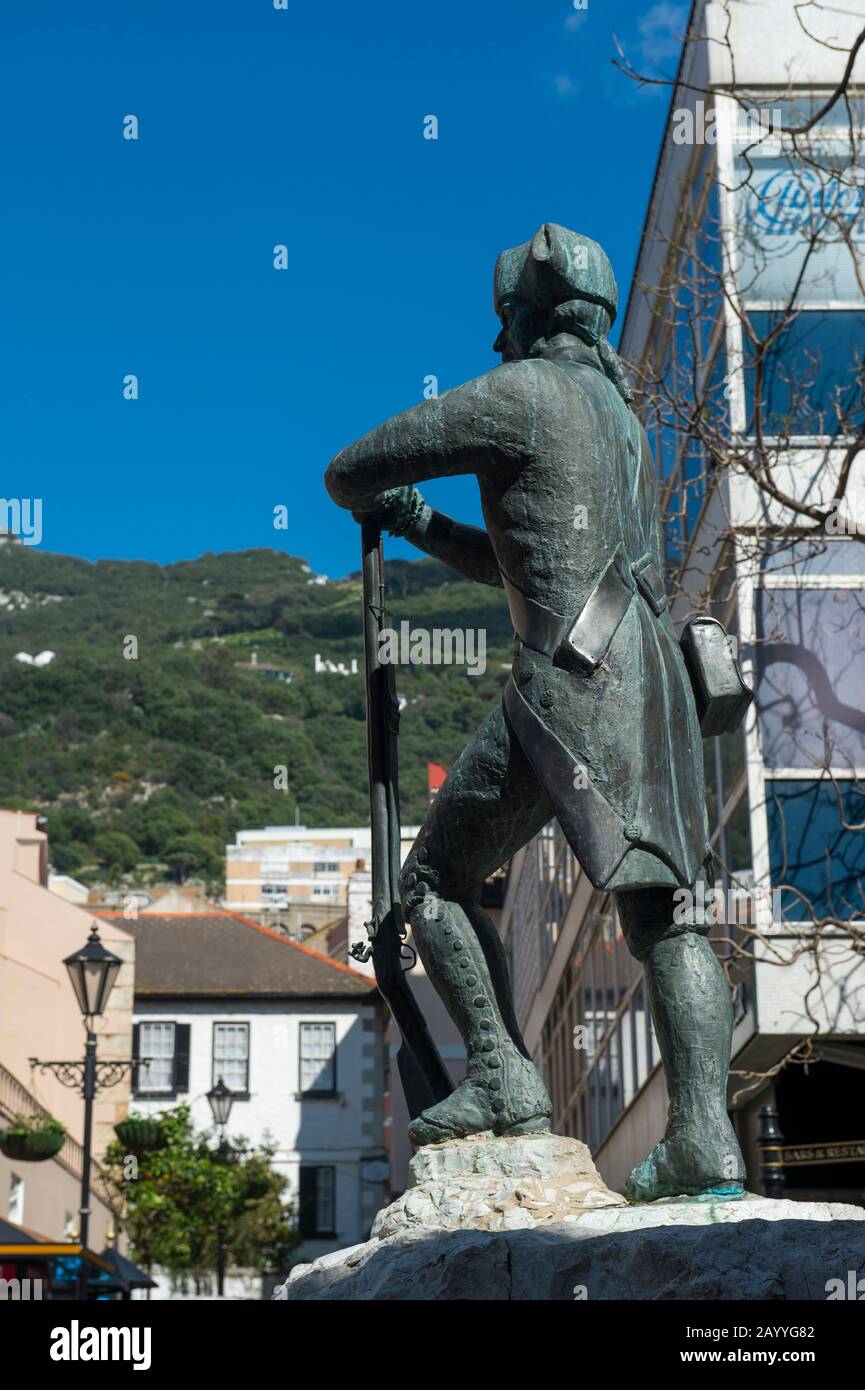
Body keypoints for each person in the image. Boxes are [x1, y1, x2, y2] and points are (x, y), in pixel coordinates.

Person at [325, 223, 745, 1200]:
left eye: (501, 322)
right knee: (667, 916)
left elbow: (350, 469)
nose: (495, 344)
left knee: (431, 877)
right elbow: (530, 554)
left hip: (566, 683)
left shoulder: (516, 395)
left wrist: (385, 501)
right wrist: (427, 525)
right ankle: (704, 1142)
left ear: (523, 317)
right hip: (651, 687)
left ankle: (506, 1078)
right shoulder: (619, 419)